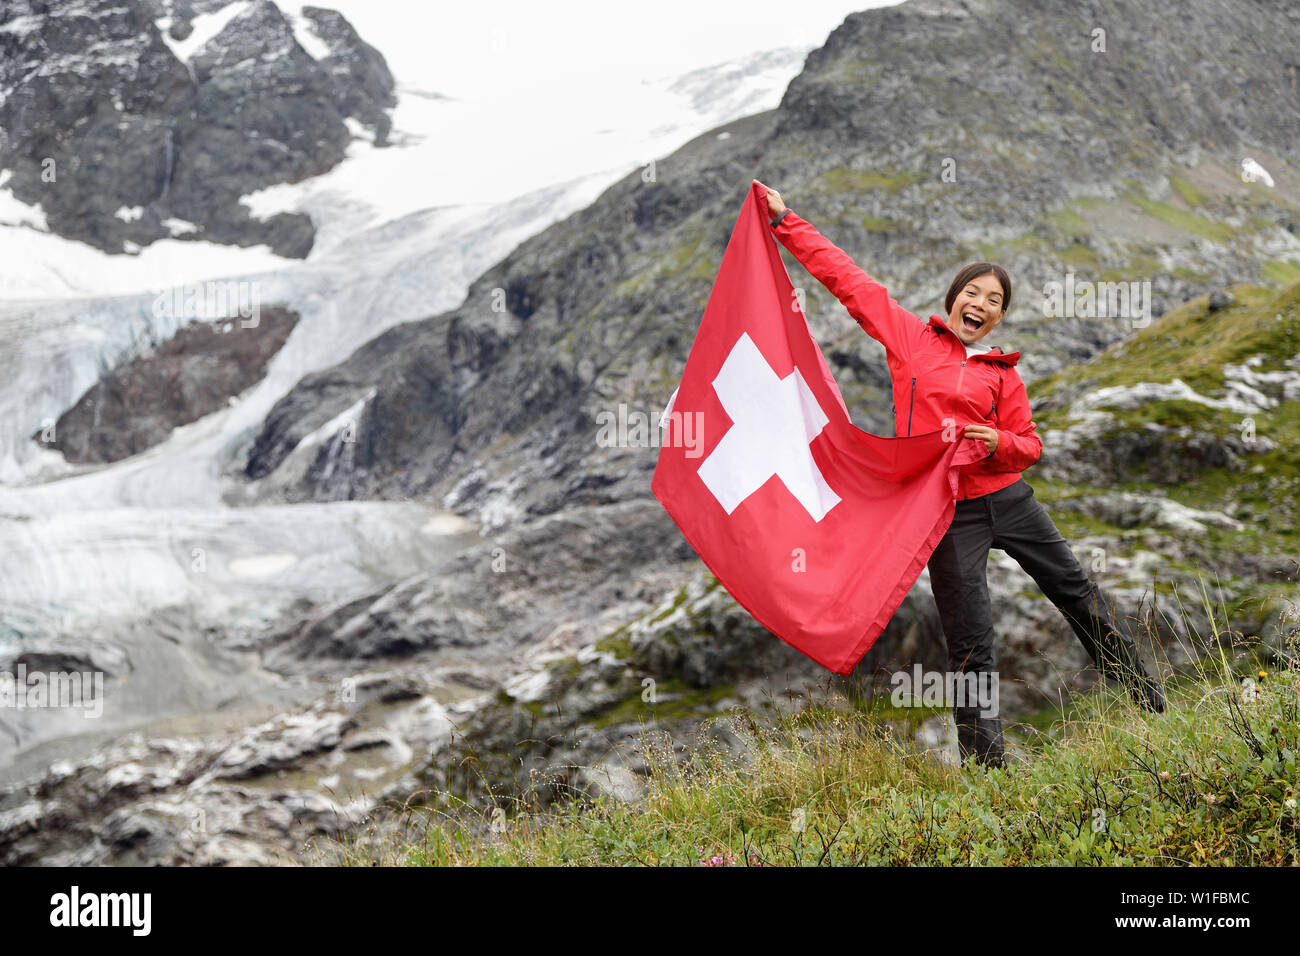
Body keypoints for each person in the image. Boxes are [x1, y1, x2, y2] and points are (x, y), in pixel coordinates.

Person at [753, 179, 1166, 768]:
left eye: (995, 301)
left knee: (1080, 595)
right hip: (947, 514)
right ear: (955, 299)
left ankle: (1150, 704)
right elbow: (846, 278)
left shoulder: (1004, 374)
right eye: (974, 292)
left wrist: (1000, 441)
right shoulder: (909, 339)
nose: (983, 304)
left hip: (1011, 500)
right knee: (972, 643)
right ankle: (987, 769)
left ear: (998, 318)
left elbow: (1029, 447)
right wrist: (784, 219)